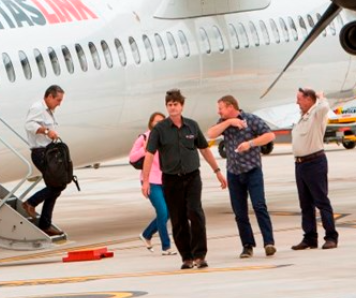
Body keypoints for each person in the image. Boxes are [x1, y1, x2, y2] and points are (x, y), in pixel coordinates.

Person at [141, 89, 227, 270]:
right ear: (167, 107)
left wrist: (217, 171)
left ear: (182, 106)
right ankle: (186, 257)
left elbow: (204, 149)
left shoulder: (192, 126)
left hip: (192, 176)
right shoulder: (159, 129)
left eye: (176, 104)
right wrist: (146, 180)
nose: (173, 108)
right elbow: (149, 154)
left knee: (195, 213)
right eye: (169, 105)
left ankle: (200, 255)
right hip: (171, 180)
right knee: (178, 219)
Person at [207, 95, 277, 258]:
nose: (219, 111)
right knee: (240, 212)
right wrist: (229, 122)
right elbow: (211, 134)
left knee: (259, 206)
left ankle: (269, 242)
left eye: (221, 108)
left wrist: (250, 144)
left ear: (231, 107)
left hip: (252, 170)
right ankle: (247, 245)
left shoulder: (251, 119)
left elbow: (269, 135)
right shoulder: (224, 123)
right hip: (234, 172)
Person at [292, 87, 339, 250]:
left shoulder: (317, 114)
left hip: (314, 162)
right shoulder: (303, 117)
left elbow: (325, 107)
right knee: (305, 204)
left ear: (309, 99)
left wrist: (320, 97)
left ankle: (331, 236)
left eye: (299, 98)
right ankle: (310, 237)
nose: (297, 102)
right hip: (300, 164)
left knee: (321, 201)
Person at [22, 85, 67, 236]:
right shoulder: (38, 108)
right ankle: (31, 203)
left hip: (48, 153)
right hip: (40, 153)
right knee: (57, 185)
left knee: (56, 186)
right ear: (49, 97)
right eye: (58, 100)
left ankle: (45, 224)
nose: (60, 103)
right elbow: (29, 125)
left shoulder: (49, 110)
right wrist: (47, 131)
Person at [128, 112, 174, 255]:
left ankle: (147, 234)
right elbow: (132, 157)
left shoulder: (168, 137)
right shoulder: (144, 137)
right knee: (162, 211)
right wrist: (145, 148)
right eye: (156, 121)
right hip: (151, 180)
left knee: (168, 212)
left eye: (162, 121)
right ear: (151, 123)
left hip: (166, 179)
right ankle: (166, 247)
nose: (159, 124)